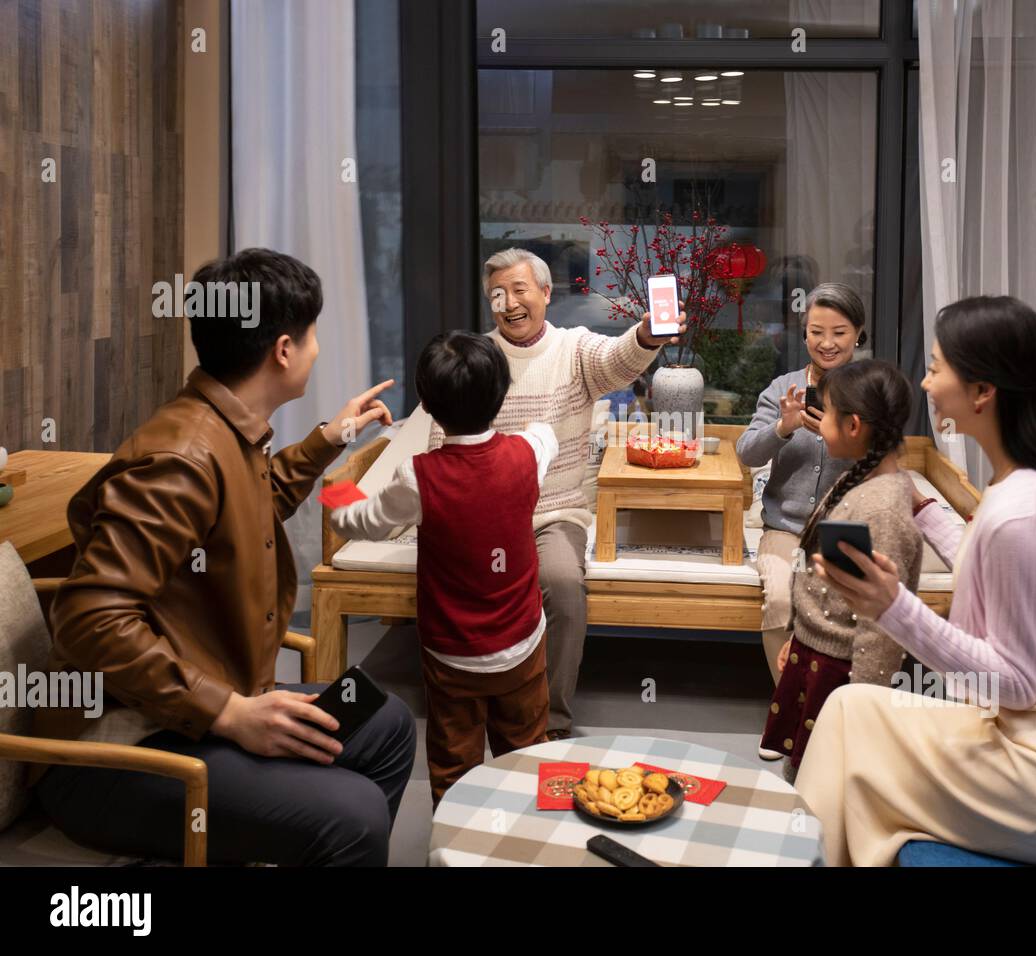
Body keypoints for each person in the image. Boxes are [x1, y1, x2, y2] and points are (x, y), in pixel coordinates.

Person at [32, 248, 417, 866]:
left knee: (386, 721)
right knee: (356, 814)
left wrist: (329, 438)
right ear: (284, 350)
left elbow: (250, 510)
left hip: (184, 710)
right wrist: (229, 711)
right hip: (116, 753)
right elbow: (89, 619)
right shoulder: (183, 459)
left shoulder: (223, 430)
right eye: (313, 334)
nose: (317, 349)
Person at [796, 295, 1036, 866]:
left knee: (856, 752)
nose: (926, 382)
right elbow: (990, 562)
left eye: (937, 368)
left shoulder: (1020, 515)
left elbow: (1016, 683)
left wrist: (893, 608)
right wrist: (924, 511)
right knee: (847, 709)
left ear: (982, 391)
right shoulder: (1023, 484)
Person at [426, 248, 683, 741]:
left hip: (553, 514)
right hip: (483, 518)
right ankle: (479, 711)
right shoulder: (473, 358)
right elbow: (443, 440)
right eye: (497, 294)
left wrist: (648, 334)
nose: (509, 303)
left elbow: (617, 360)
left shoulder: (574, 349)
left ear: (545, 293)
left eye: (520, 290)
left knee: (563, 585)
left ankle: (551, 724)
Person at [330, 331, 558, 804]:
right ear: (501, 394)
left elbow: (364, 522)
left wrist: (336, 496)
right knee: (527, 754)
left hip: (452, 653)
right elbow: (546, 433)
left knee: (454, 764)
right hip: (522, 642)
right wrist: (529, 422)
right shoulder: (530, 451)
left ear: (427, 406)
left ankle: (455, 836)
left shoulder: (418, 475)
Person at [760, 360, 922, 774]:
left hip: (843, 677)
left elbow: (881, 627)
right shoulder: (856, 481)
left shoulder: (882, 509)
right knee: (804, 771)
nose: (818, 420)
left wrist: (862, 708)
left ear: (852, 426)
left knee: (826, 776)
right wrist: (799, 637)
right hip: (815, 655)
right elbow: (823, 584)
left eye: (827, 412)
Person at [736, 283, 864, 759]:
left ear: (858, 334)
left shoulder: (869, 389)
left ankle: (832, 716)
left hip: (844, 527)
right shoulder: (783, 388)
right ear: (804, 332)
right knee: (779, 595)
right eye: (816, 331)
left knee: (842, 603)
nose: (827, 343)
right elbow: (747, 453)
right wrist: (783, 427)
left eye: (839, 332)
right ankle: (788, 712)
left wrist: (838, 431)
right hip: (785, 527)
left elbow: (886, 457)